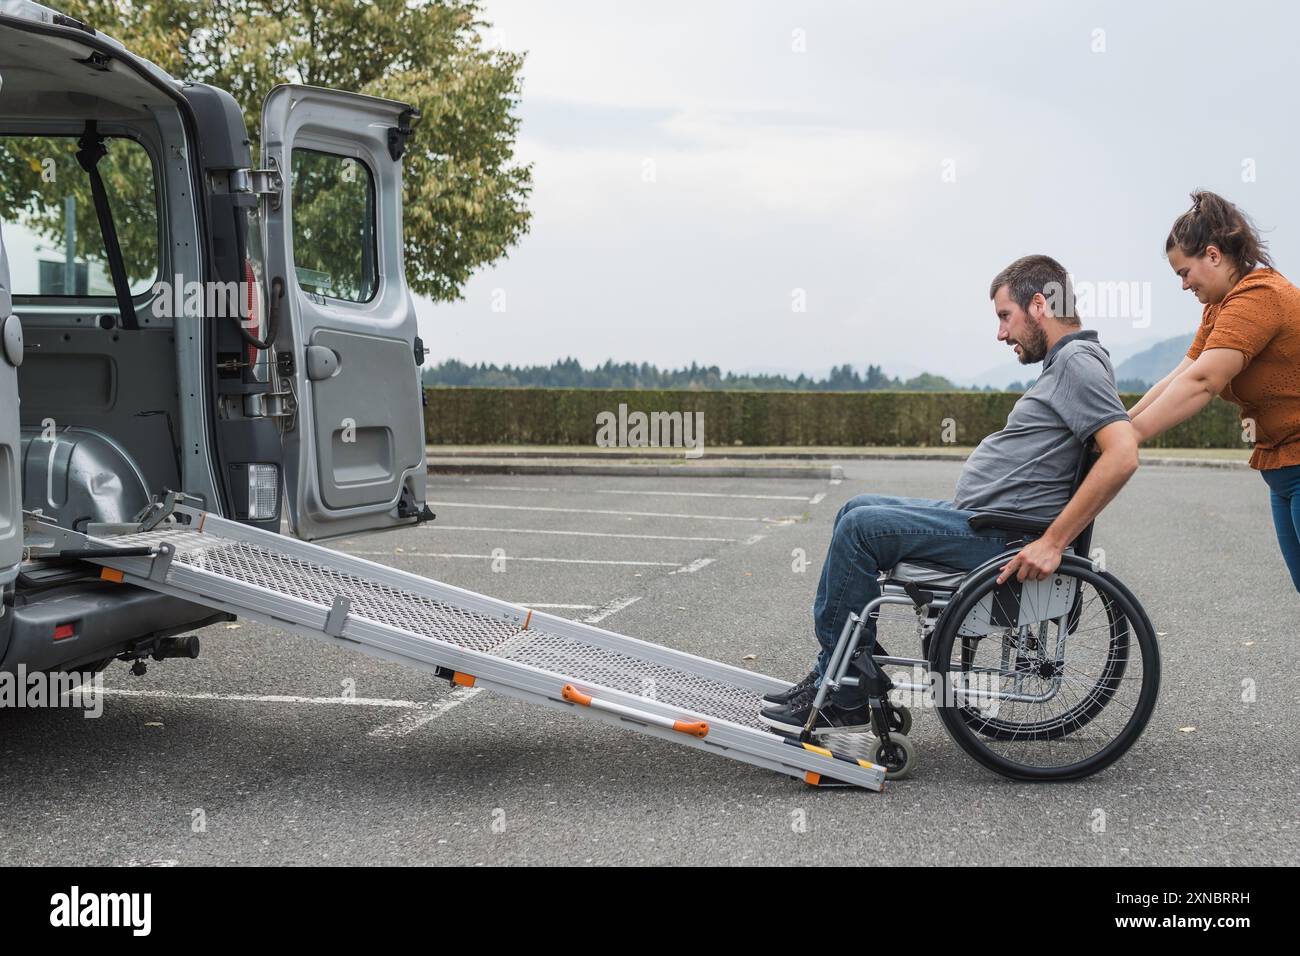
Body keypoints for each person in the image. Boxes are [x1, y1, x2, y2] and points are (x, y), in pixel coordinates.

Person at [760, 254, 1140, 734]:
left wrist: (1053, 542)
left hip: (1000, 537)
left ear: (1039, 304)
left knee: (859, 529)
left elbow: (1122, 454)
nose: (1002, 333)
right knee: (855, 508)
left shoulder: (1077, 364)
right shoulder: (1071, 361)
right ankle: (836, 672)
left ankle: (847, 693)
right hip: (989, 521)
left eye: (1005, 316)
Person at [1129, 191, 1300, 592]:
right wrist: (1121, 423)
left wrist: (1130, 437)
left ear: (1213, 254)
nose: (1184, 285)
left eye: (1184, 273)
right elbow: (1182, 374)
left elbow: (1205, 381)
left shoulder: (1260, 296)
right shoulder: (1220, 306)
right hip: (1282, 471)